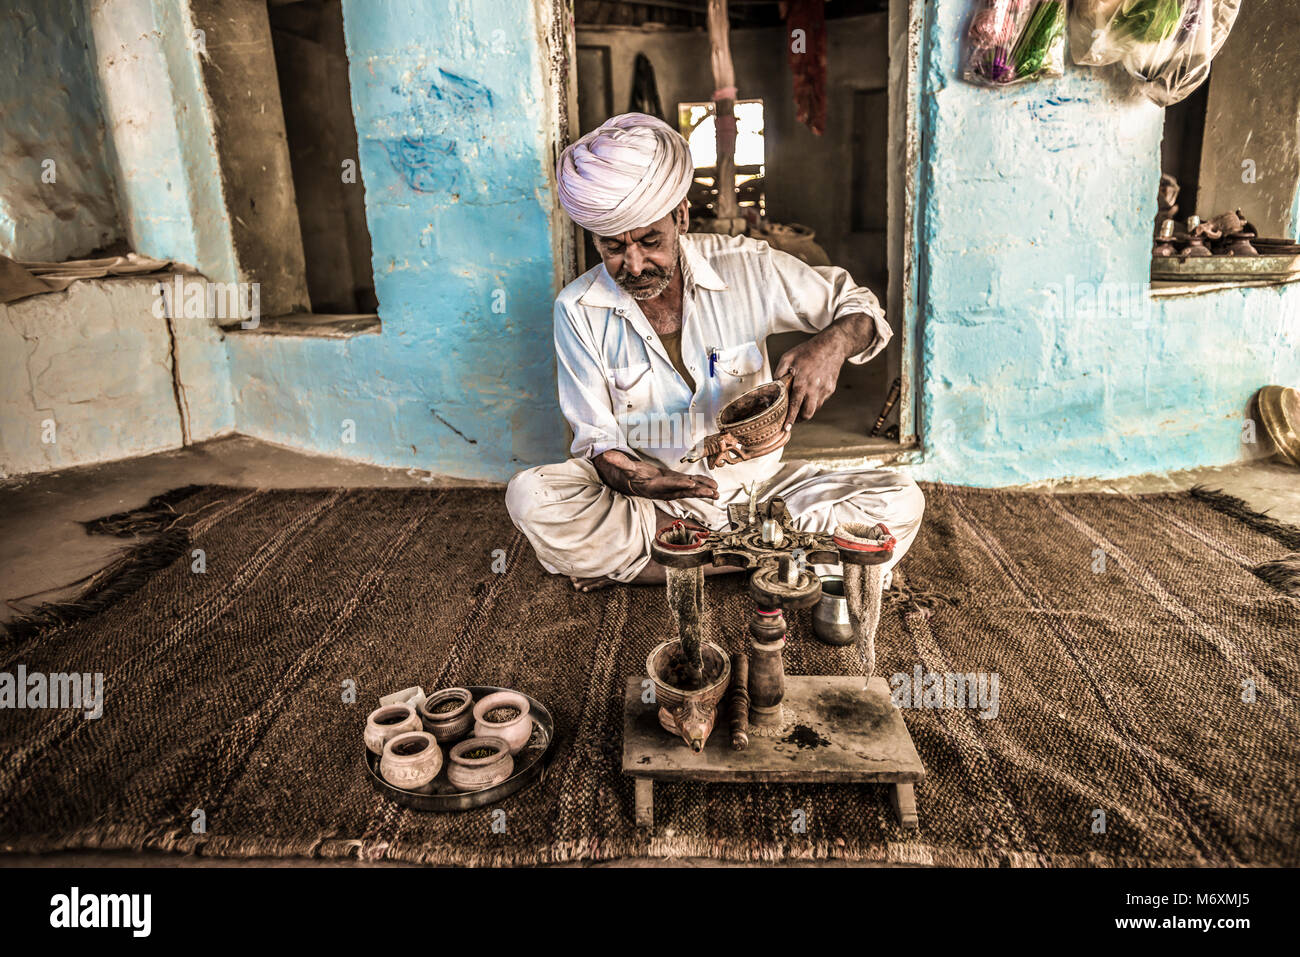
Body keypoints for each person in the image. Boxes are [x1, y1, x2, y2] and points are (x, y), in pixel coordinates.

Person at [507, 113, 923, 592]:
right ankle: (764, 559)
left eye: (649, 241)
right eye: (613, 248)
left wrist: (831, 345)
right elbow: (597, 439)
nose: (635, 265)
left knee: (899, 497)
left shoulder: (748, 268)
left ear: (680, 216)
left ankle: (675, 564)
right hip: (655, 506)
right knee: (531, 496)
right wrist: (638, 480)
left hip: (765, 494)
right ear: (595, 238)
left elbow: (861, 308)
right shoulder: (578, 309)